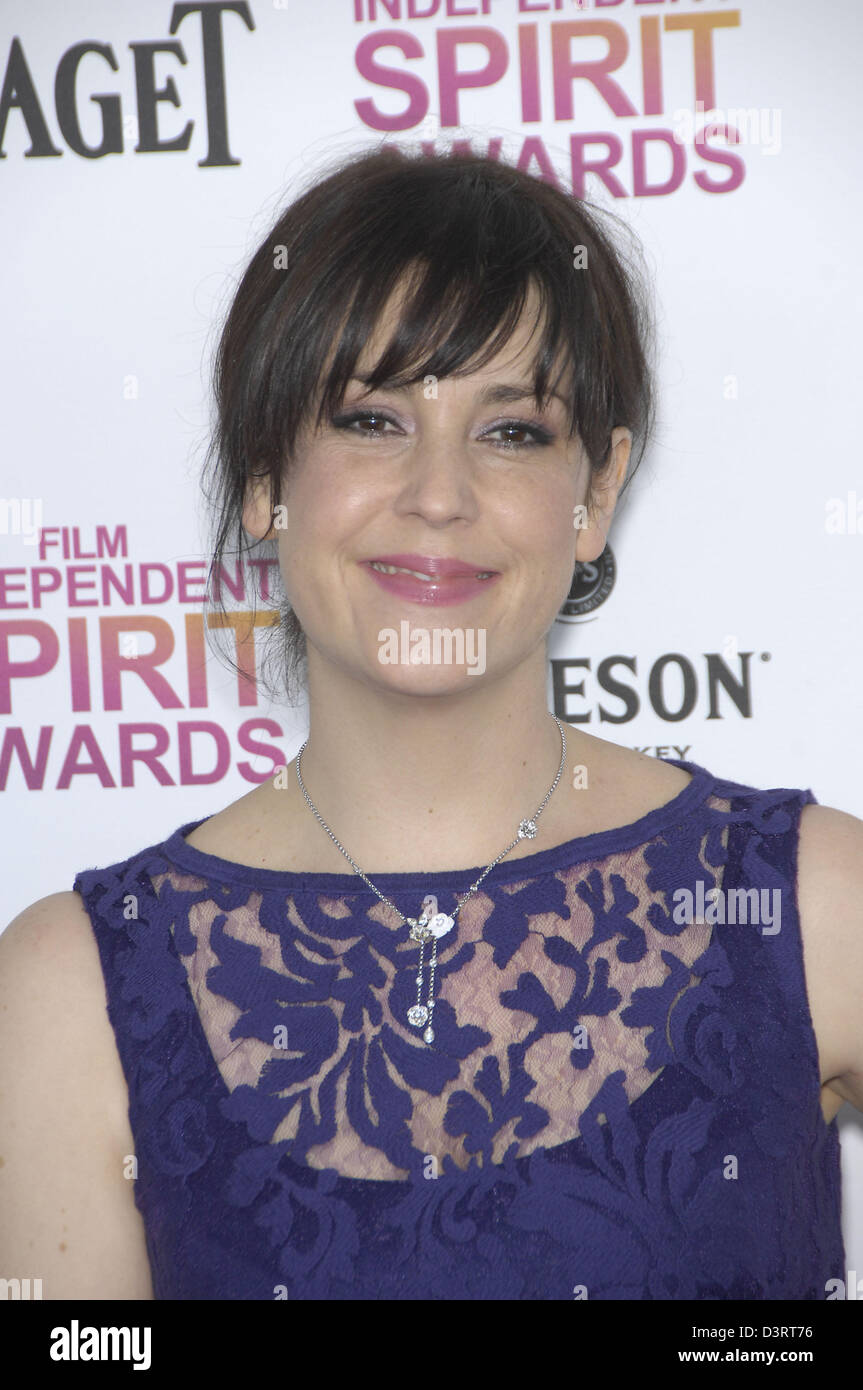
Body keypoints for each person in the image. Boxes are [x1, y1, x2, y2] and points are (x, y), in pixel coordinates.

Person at [1, 146, 861, 1301]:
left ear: (594, 493)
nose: (439, 493)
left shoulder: (807, 902)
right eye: (369, 419)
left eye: (510, 431)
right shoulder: (72, 991)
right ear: (266, 475)